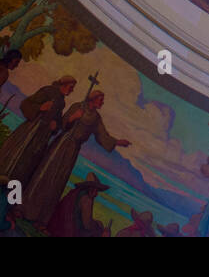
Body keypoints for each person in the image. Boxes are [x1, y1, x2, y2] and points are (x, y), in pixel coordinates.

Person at [23, 90, 130, 226]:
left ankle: (41, 219)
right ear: (93, 99)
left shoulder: (96, 118)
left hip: (73, 149)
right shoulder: (77, 107)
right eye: (100, 99)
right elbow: (62, 123)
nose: (102, 102)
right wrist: (73, 118)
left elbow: (102, 136)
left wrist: (117, 142)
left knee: (58, 181)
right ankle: (25, 209)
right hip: (62, 144)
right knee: (45, 174)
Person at [0, 75, 75, 188]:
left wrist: (55, 125)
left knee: (27, 165)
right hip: (30, 131)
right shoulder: (47, 91)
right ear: (63, 85)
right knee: (16, 156)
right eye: (70, 87)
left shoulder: (61, 101)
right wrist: (40, 107)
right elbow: (25, 104)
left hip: (41, 138)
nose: (72, 90)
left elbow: (58, 121)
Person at [45, 173, 110, 237]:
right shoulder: (87, 199)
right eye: (96, 189)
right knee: (99, 229)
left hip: (58, 226)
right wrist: (98, 226)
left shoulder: (75, 192)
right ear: (91, 188)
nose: (96, 194)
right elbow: (87, 225)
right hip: (68, 231)